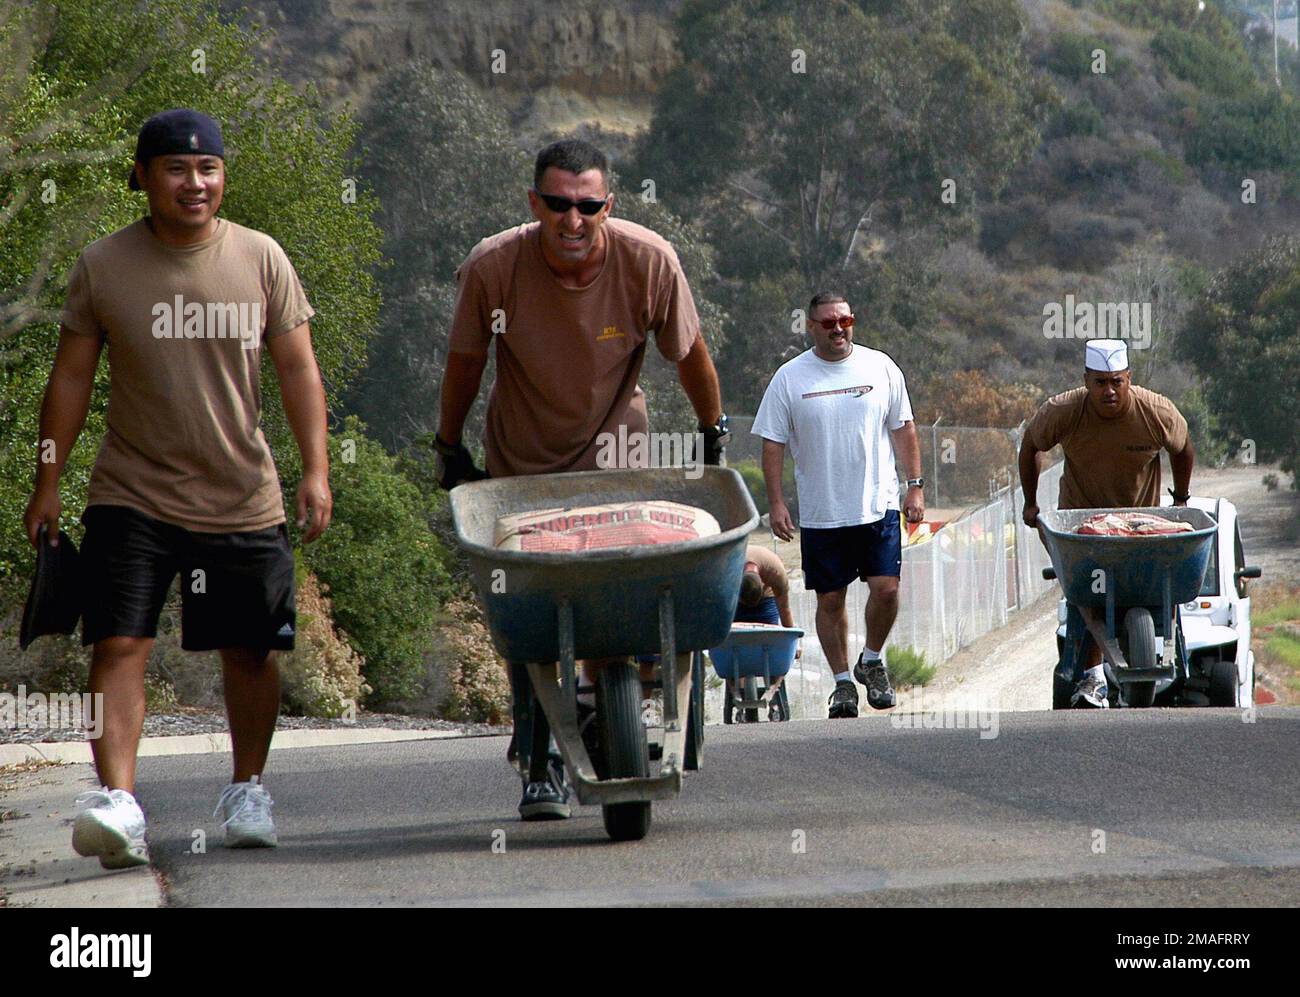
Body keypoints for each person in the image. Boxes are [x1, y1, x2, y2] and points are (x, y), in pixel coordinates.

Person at [22, 109, 331, 868]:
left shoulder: (261, 258)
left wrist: (317, 469)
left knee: (250, 650)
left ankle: (248, 789)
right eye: (176, 169)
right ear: (143, 175)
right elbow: (70, 377)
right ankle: (119, 804)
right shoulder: (103, 264)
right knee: (119, 640)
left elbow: (298, 369)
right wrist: (48, 479)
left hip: (240, 491)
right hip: (132, 490)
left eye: (208, 169)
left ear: (223, 177)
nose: (195, 183)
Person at [433, 138, 729, 819]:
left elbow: (689, 352)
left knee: (614, 593)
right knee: (531, 608)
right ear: (534, 203)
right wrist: (448, 445)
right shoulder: (493, 268)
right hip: (523, 465)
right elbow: (465, 364)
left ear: (607, 206)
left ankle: (606, 714)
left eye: (587, 206)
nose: (573, 220)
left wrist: (712, 429)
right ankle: (538, 758)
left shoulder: (647, 261)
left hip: (614, 454)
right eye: (558, 205)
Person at [751, 292, 924, 719]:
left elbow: (904, 429)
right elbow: (772, 444)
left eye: (845, 321)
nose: (838, 329)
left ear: (853, 321)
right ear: (811, 327)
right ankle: (843, 683)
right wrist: (776, 503)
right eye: (827, 323)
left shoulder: (880, 367)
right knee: (831, 602)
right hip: (822, 513)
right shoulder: (790, 378)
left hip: (877, 504)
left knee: (887, 590)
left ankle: (872, 658)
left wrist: (915, 487)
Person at [1019, 338, 1194, 708]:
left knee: (1142, 590)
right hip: (1081, 525)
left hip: (1139, 523)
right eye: (1100, 382)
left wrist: (1180, 500)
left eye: (1117, 381)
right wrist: (1031, 502)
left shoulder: (1155, 412)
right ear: (1086, 381)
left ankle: (1152, 653)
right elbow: (1031, 444)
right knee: (1088, 593)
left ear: (1129, 378)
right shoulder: (1064, 411)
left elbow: (1183, 448)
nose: (1109, 391)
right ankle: (1094, 679)